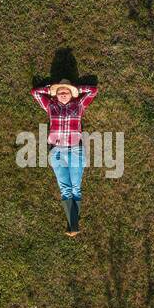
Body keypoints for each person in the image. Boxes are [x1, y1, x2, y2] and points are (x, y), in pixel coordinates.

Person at [31, 79, 98, 236]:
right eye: (60, 91)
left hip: (76, 150)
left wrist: (76, 89)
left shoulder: (79, 105)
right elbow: (35, 93)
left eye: (66, 92)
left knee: (75, 188)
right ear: (56, 94)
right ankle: (73, 224)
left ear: (72, 94)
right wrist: (50, 91)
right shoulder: (51, 106)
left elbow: (93, 91)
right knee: (65, 190)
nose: (63, 94)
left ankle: (73, 224)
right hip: (56, 151)